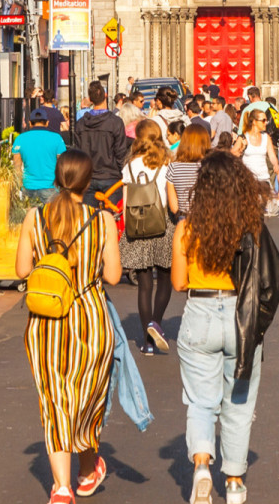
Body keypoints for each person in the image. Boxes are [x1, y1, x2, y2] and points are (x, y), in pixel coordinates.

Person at [173, 151, 279, 504]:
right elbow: (270, 278)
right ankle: (234, 482)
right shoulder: (249, 226)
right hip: (241, 317)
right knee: (238, 404)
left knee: (201, 402)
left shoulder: (187, 228)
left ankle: (202, 465)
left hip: (200, 313)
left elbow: (177, 282)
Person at [16, 150, 121, 504]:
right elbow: (112, 277)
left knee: (55, 401)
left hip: (46, 322)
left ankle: (61, 488)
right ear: (88, 182)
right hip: (89, 320)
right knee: (87, 398)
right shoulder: (101, 220)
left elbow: (20, 269)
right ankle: (88, 467)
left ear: (57, 178)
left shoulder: (35, 217)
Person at [120, 122, 180, 356]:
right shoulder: (167, 162)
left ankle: (146, 341)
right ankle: (156, 323)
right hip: (163, 223)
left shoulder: (130, 165)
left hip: (138, 224)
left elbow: (126, 200)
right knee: (164, 280)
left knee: (144, 285)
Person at [72, 82, 130, 204]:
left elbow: (77, 151)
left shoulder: (81, 123)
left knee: (90, 219)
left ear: (90, 99)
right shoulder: (115, 122)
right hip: (111, 177)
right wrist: (124, 174)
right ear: (106, 96)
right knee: (112, 219)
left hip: (88, 176)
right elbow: (120, 152)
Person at [13, 111, 69, 202]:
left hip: (28, 186)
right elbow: (63, 164)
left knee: (30, 215)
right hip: (51, 187)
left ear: (30, 123)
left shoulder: (20, 139)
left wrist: (20, 187)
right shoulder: (57, 138)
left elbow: (16, 167)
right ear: (47, 122)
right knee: (49, 216)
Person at [237, 108, 279, 214]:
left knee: (267, 209)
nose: (266, 122)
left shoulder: (266, 137)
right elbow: (233, 153)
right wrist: (241, 149)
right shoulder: (244, 137)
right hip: (249, 179)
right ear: (254, 122)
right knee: (252, 208)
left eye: (266, 120)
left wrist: (276, 166)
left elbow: (271, 154)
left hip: (263, 179)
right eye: (263, 120)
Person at [166, 124, 209, 208]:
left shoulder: (174, 167)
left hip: (183, 217)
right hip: (206, 217)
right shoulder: (210, 166)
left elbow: (173, 206)